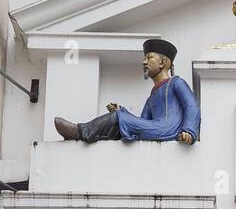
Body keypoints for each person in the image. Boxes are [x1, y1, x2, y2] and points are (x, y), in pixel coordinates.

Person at [53, 37, 200, 145]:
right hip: (156, 128)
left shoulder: (176, 83)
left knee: (119, 118)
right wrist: (123, 111)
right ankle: (94, 134)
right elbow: (142, 122)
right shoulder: (152, 96)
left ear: (162, 62)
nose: (144, 62)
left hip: (168, 129)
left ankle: (80, 132)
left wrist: (189, 130)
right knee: (120, 118)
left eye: (149, 58)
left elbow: (191, 106)